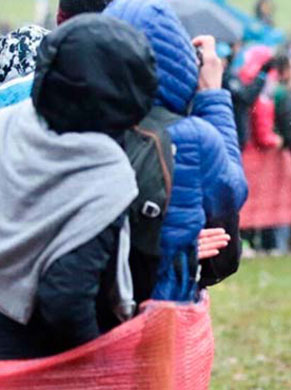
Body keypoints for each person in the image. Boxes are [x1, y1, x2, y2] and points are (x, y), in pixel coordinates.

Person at [0, 13, 157, 359]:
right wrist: (97, 361)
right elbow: (65, 300)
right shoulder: (107, 175)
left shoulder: (7, 123)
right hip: (31, 355)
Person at [105, 0, 249, 301]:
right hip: (157, 310)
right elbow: (230, 191)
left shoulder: (69, 121)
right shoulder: (188, 137)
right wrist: (212, 96)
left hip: (81, 312)